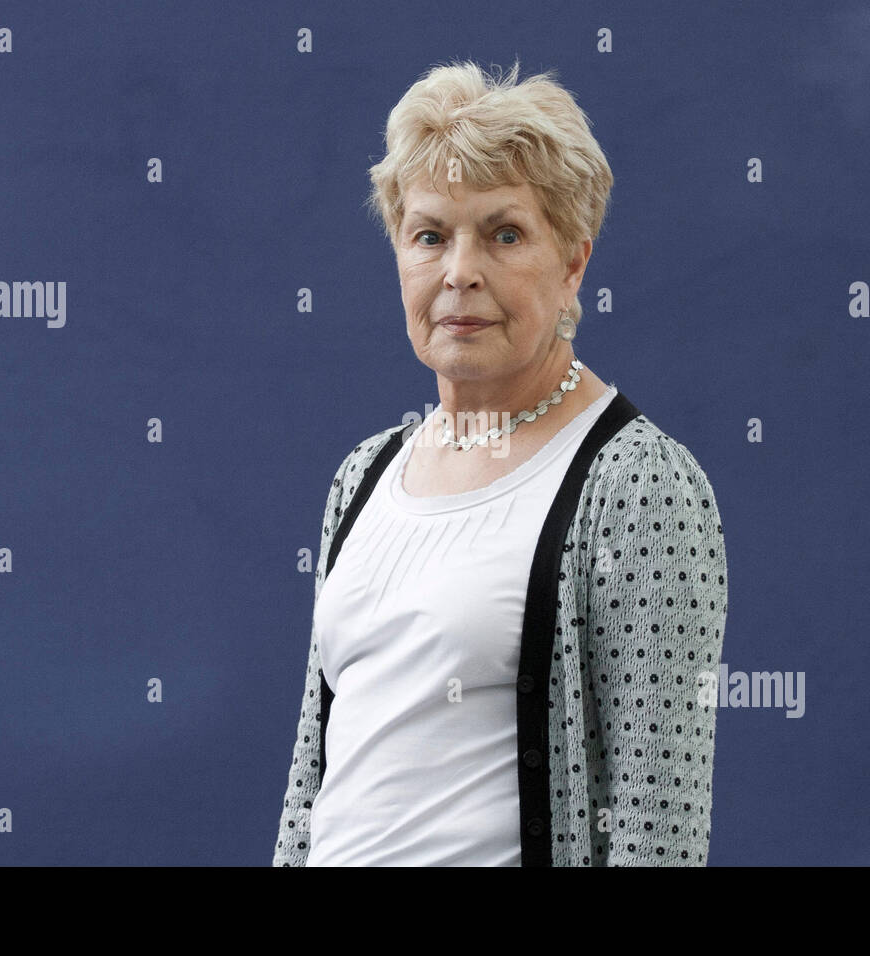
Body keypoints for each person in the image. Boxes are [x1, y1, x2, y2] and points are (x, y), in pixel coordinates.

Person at [273, 59, 728, 866]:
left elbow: (660, 823)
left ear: (574, 264)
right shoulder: (365, 476)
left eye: (504, 233)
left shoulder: (636, 485)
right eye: (430, 236)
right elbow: (314, 783)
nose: (460, 272)